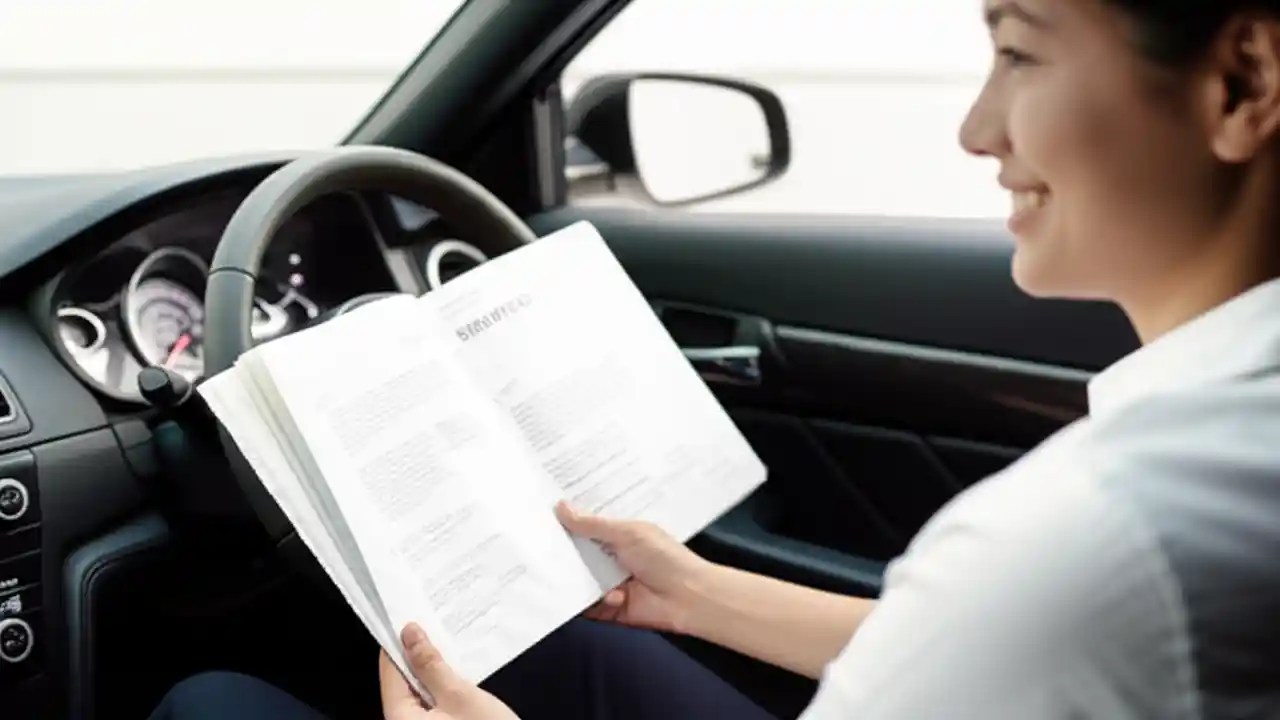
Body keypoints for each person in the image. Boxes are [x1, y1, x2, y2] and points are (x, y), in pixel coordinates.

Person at [150, 0, 1280, 717]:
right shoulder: (1211, 459)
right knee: (548, 649)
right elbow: (986, 651)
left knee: (213, 704)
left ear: (1244, 83)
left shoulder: (1101, 536)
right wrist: (697, 594)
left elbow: (1033, 621)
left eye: (1020, 52)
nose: (975, 128)